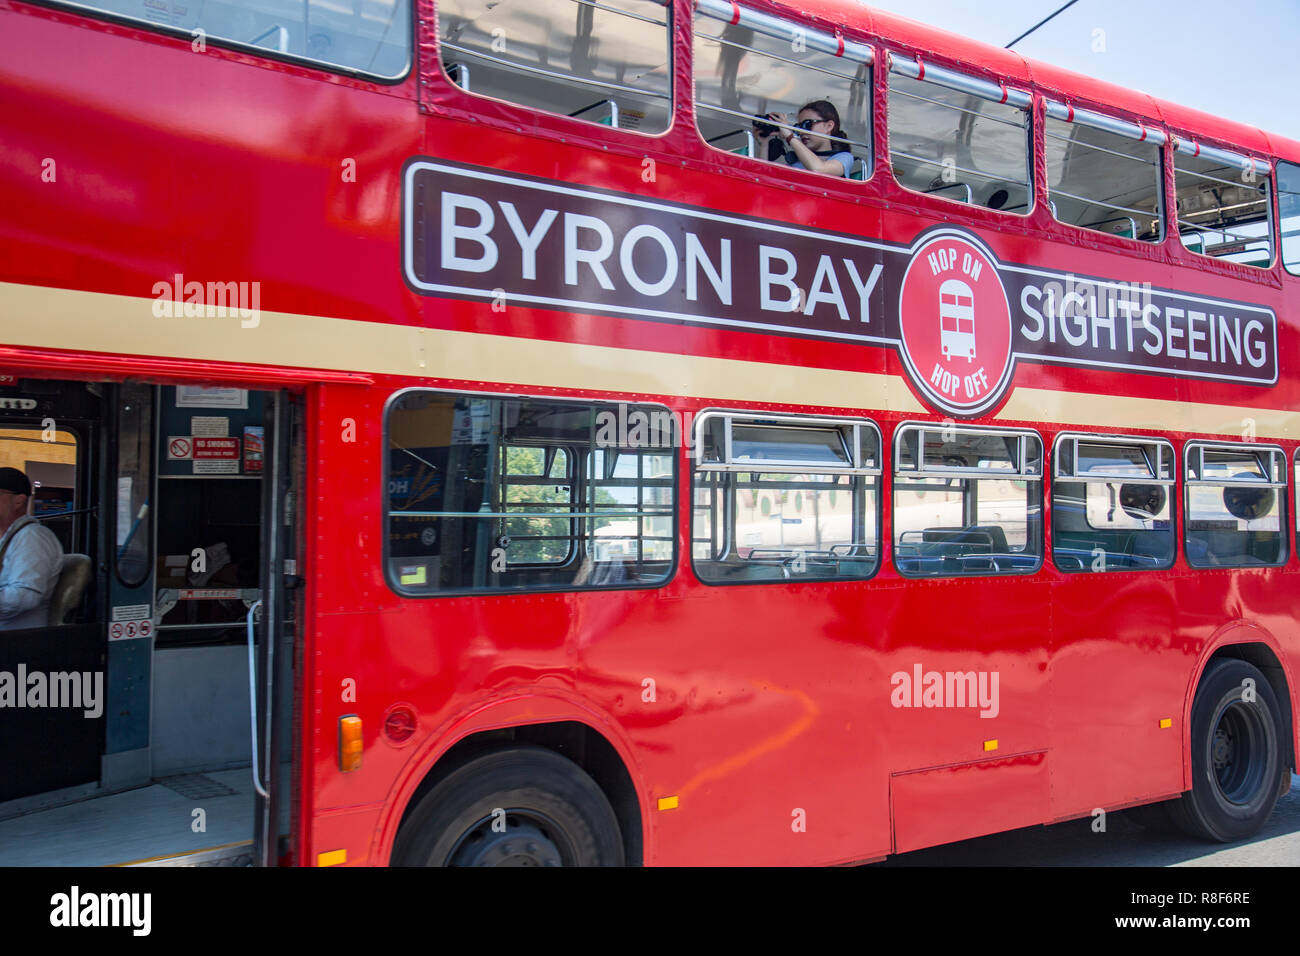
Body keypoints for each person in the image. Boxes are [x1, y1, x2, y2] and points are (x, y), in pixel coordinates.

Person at [0, 467, 65, 630]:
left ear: (18, 501)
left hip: (15, 641)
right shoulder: (8, 537)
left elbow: (26, 596)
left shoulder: (32, 537)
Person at [754, 100, 854, 178]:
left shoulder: (844, 157)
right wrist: (764, 145)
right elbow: (762, 179)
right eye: (799, 127)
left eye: (807, 124)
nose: (802, 132)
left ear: (829, 126)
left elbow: (819, 169)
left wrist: (789, 136)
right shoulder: (797, 162)